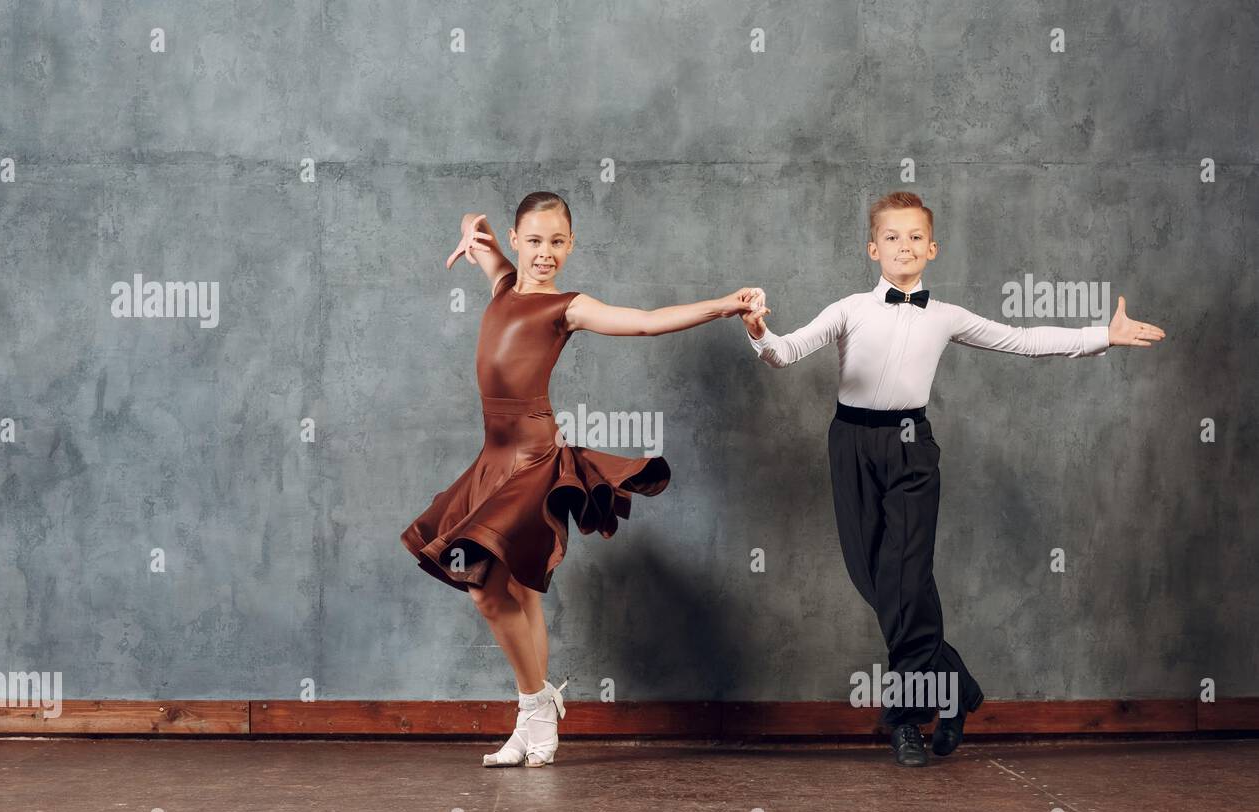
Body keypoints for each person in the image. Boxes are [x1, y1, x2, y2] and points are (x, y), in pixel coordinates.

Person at [740, 191, 1165, 766]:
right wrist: (759, 330)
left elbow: (1023, 340)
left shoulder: (946, 316)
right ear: (873, 249)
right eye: (892, 236)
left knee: (907, 583)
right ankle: (957, 689)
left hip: (912, 449)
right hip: (850, 444)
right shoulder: (849, 309)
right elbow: (785, 353)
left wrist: (1101, 336)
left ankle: (905, 721)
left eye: (916, 236)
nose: (904, 245)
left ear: (933, 249)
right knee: (876, 582)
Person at [402, 191, 769, 767]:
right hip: (492, 459)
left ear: (570, 246)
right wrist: (474, 227)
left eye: (557, 242)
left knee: (485, 587)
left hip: (531, 460)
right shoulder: (503, 285)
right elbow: (482, 241)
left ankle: (535, 709)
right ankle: (534, 712)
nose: (545, 253)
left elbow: (646, 324)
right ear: (518, 241)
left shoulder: (565, 307)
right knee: (512, 590)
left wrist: (722, 306)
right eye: (535, 240)